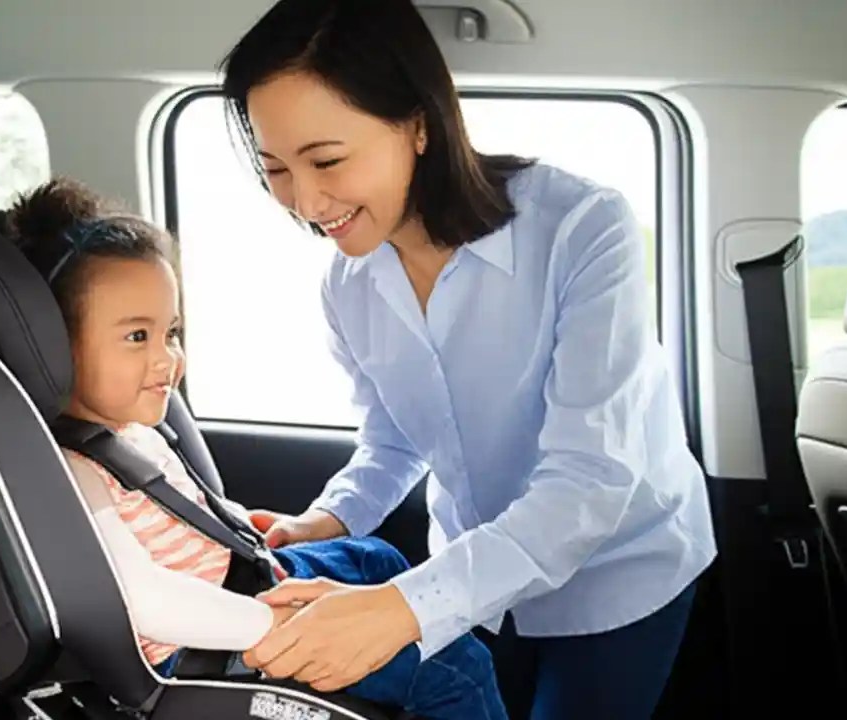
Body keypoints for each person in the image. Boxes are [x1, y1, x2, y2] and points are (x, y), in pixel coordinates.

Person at [217, 1, 719, 718]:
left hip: (620, 570)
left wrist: (401, 608)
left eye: (326, 160)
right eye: (276, 169)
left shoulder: (582, 228)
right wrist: (324, 521)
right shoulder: (346, 283)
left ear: (418, 123)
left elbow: (588, 481)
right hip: (470, 584)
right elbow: (392, 441)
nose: (304, 201)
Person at [5, 177, 509, 720]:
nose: (166, 359)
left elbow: (180, 516)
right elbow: (143, 598)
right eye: (137, 337)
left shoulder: (134, 432)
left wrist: (242, 527)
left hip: (240, 583)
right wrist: (282, 626)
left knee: (377, 557)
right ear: (53, 348)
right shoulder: (74, 471)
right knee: (456, 672)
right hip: (206, 644)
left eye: (171, 332)